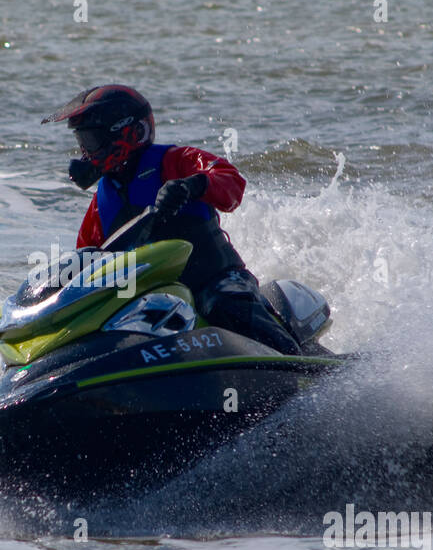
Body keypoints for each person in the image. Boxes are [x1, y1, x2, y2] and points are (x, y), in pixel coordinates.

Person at [42, 84, 301, 355]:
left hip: (214, 280)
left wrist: (192, 185)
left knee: (226, 305)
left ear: (129, 132)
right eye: (82, 144)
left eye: (92, 143)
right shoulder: (101, 203)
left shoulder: (176, 161)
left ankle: (297, 364)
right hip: (152, 297)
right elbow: (88, 259)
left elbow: (232, 183)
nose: (86, 154)